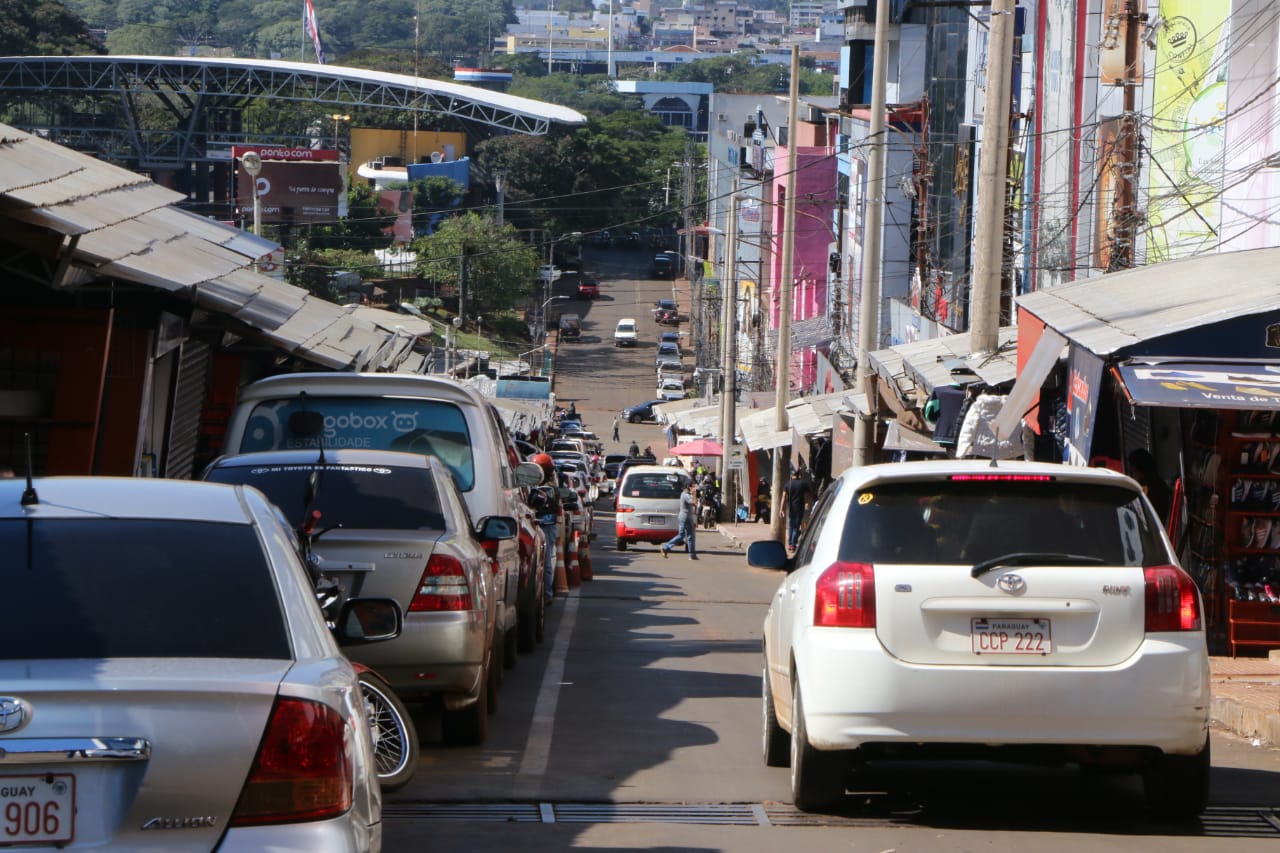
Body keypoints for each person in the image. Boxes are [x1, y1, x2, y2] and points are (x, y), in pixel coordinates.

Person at [529, 453, 561, 603]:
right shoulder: (531, 486)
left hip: (546, 526)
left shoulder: (549, 488)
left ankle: (547, 594)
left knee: (546, 560)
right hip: (535, 525)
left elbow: (545, 502)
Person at [1128, 448, 1172, 527]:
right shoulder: (1159, 483)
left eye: (1132, 470)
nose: (1131, 474)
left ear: (1137, 469)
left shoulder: (1144, 488)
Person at [660, 480, 698, 560]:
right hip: (685, 517)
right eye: (693, 486)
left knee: (689, 536)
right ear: (689, 487)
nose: (695, 488)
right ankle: (666, 547)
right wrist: (694, 494)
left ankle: (692, 554)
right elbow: (694, 502)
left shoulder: (686, 494)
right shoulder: (685, 495)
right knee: (683, 535)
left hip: (687, 517)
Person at [785, 467, 812, 550]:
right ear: (799, 475)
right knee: (796, 527)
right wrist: (807, 503)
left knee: (791, 526)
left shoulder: (788, 484)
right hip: (799, 508)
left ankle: (790, 543)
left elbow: (783, 497)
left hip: (791, 509)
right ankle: (793, 544)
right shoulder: (803, 484)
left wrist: (781, 509)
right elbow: (809, 495)